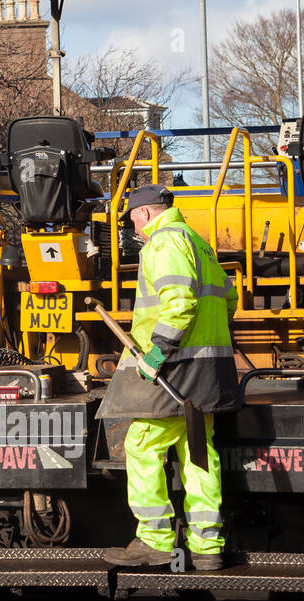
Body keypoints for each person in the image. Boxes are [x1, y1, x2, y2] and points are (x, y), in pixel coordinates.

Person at [98, 184, 239, 571]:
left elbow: (179, 303)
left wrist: (159, 351)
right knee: (198, 455)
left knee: (142, 447)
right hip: (205, 374)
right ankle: (207, 549)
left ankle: (154, 541)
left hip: (172, 372)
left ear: (144, 214)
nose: (134, 229)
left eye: (132, 221)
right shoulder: (199, 242)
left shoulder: (163, 243)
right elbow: (229, 298)